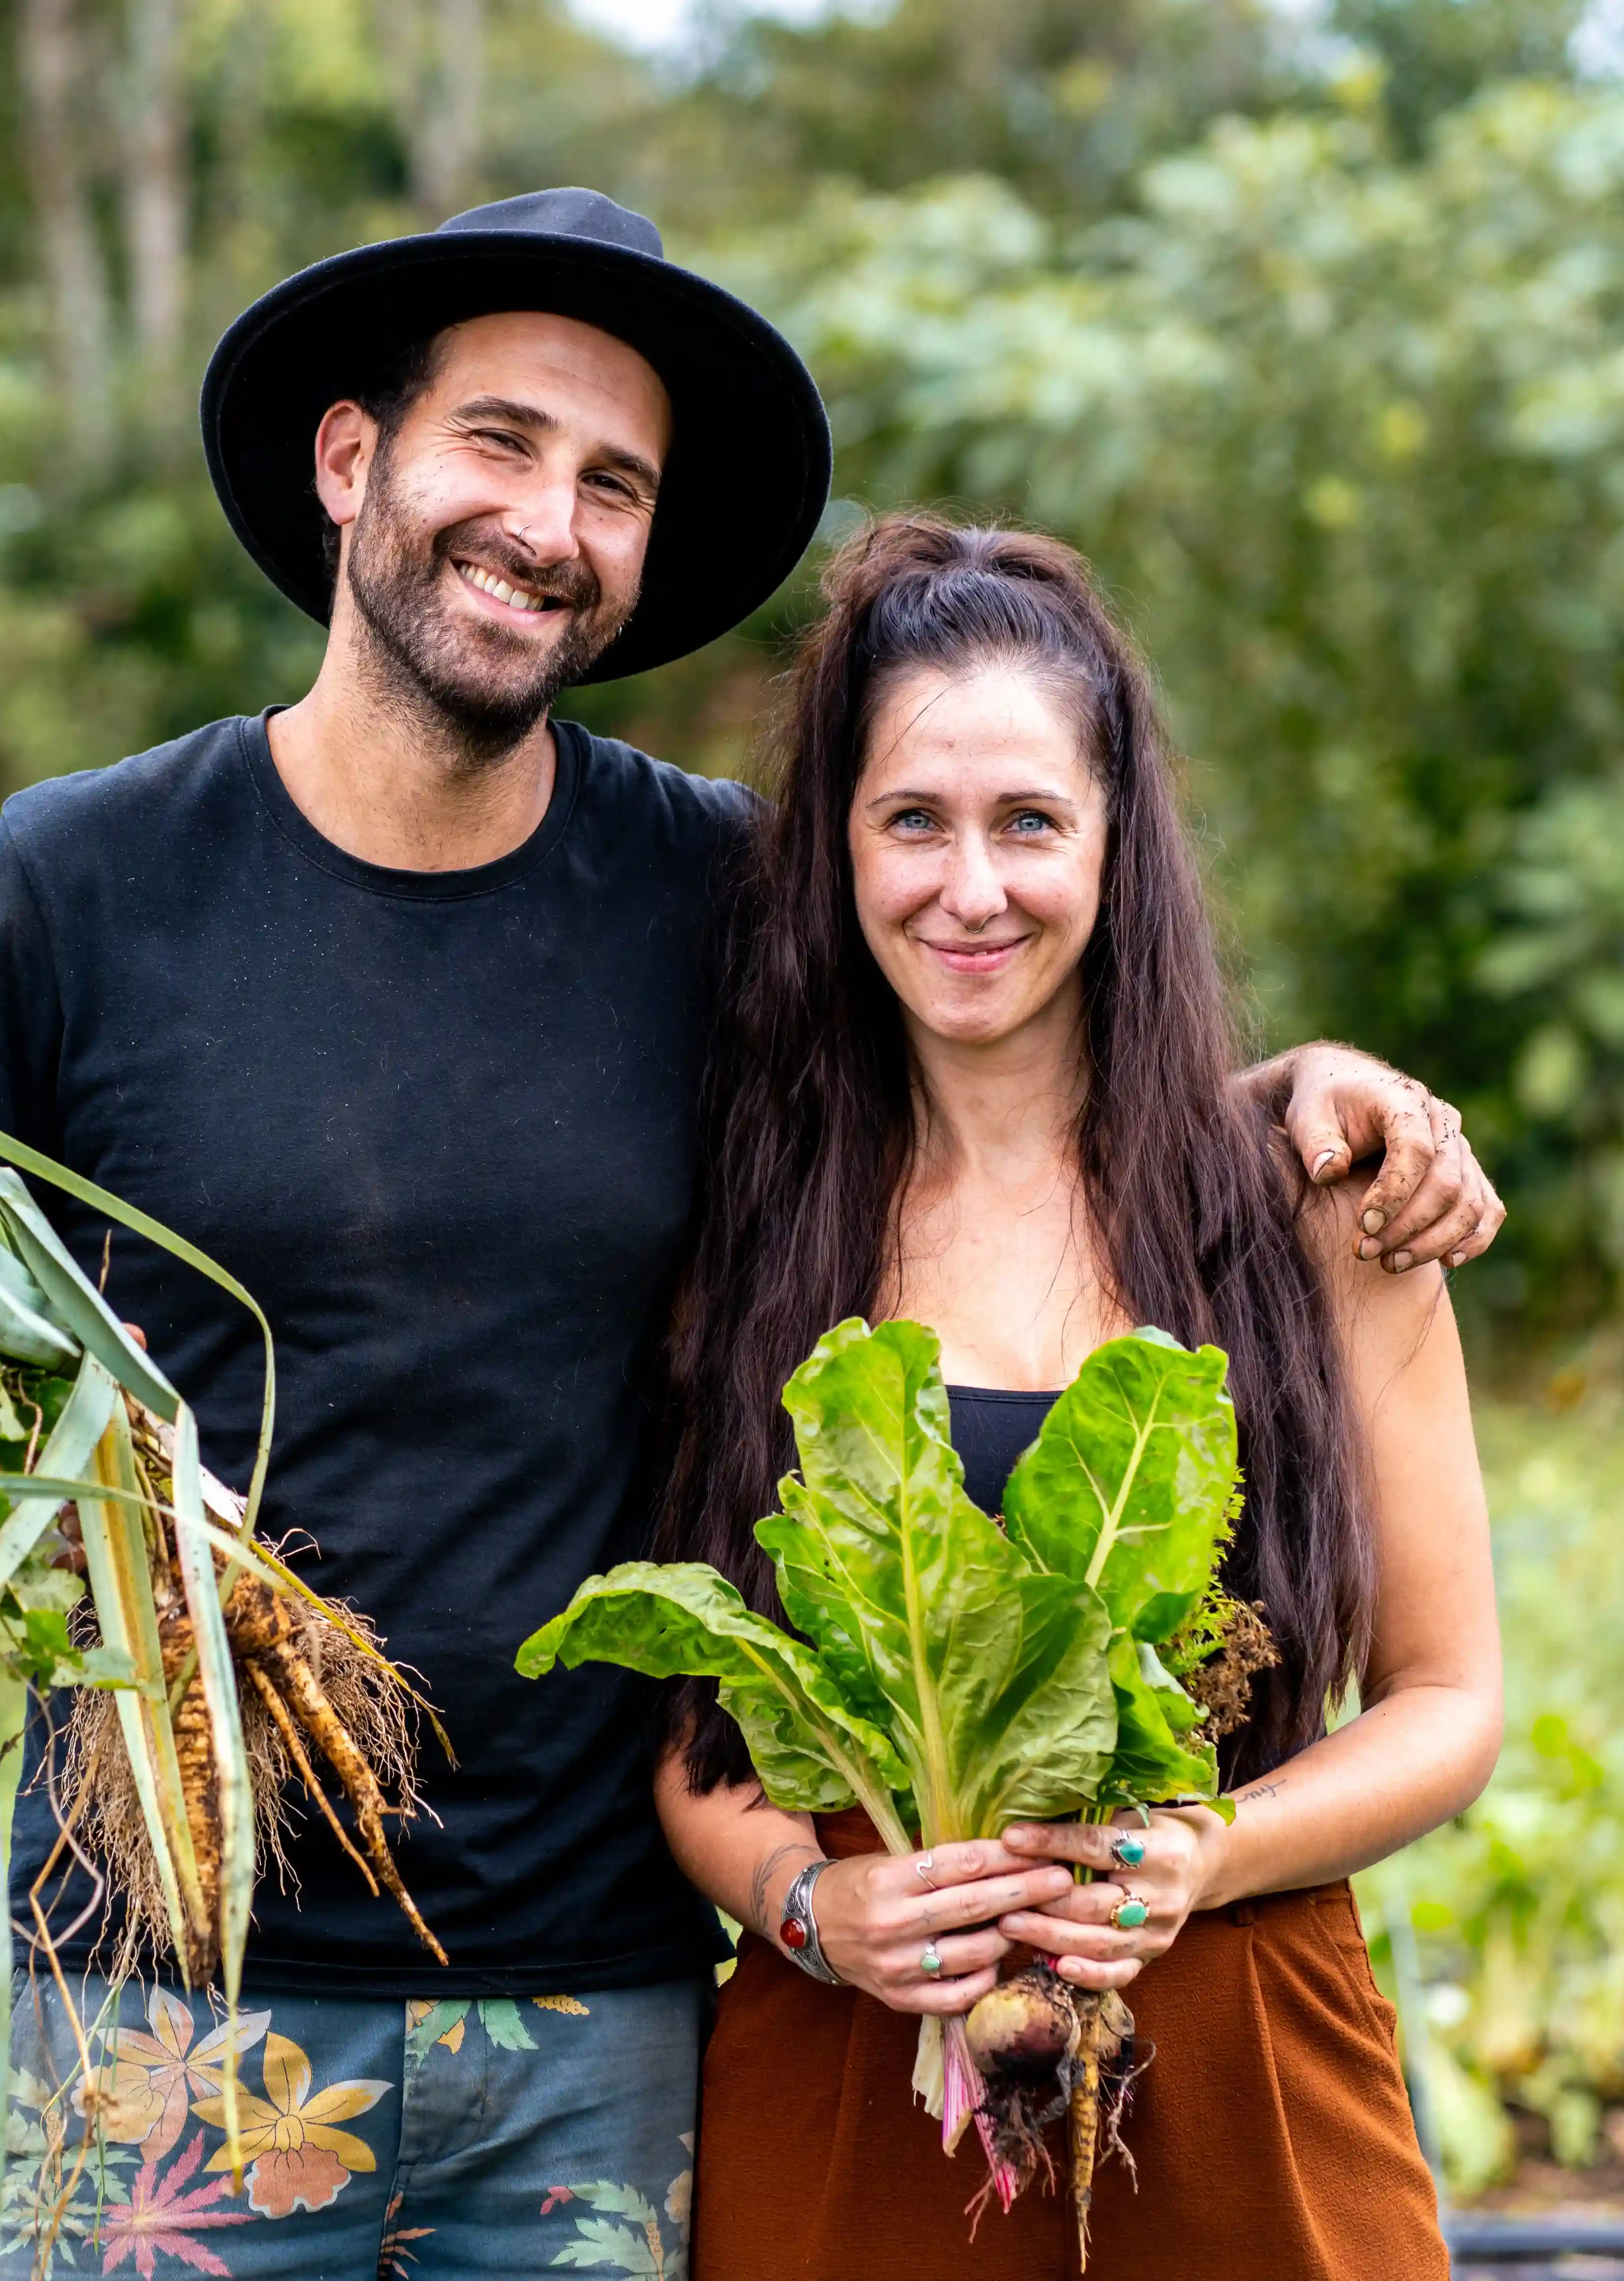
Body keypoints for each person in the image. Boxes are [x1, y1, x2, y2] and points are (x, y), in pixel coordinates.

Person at [0, 191, 1503, 2280]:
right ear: (349, 459)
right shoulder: (76, 888)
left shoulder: (718, 901)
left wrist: (1297, 1104)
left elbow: (1002, 1045)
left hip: (595, 2006)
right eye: (500, 441)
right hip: (162, 1982)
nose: (547, 520)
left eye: (614, 482)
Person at [648, 514, 1505, 2278]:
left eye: (1030, 821)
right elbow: (692, 1741)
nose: (974, 889)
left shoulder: (1319, 1202)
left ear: (1118, 848)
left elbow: (1448, 1700)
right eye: (913, 822)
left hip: (1241, 2074)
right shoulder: (739, 1218)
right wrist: (816, 1907)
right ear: (837, 852)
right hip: (857, 2101)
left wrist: (1205, 1848)